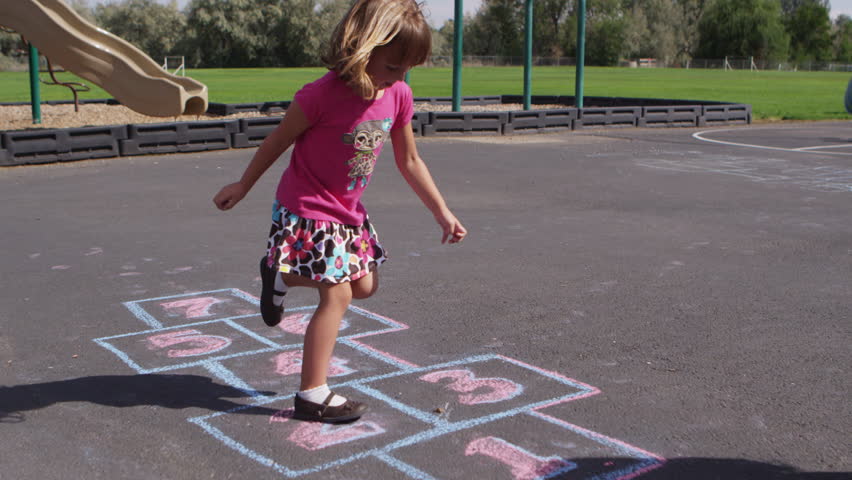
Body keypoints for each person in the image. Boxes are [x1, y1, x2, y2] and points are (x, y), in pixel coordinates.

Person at [212, 0, 467, 424]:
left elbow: (410, 161)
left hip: (346, 209)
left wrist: (441, 212)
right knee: (339, 293)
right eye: (391, 67)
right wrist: (242, 185)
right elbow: (276, 142)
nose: (399, 78)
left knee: (365, 286)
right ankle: (312, 394)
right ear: (362, 49)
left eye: (407, 70)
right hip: (307, 207)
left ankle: (280, 275)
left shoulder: (398, 94)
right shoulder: (319, 96)